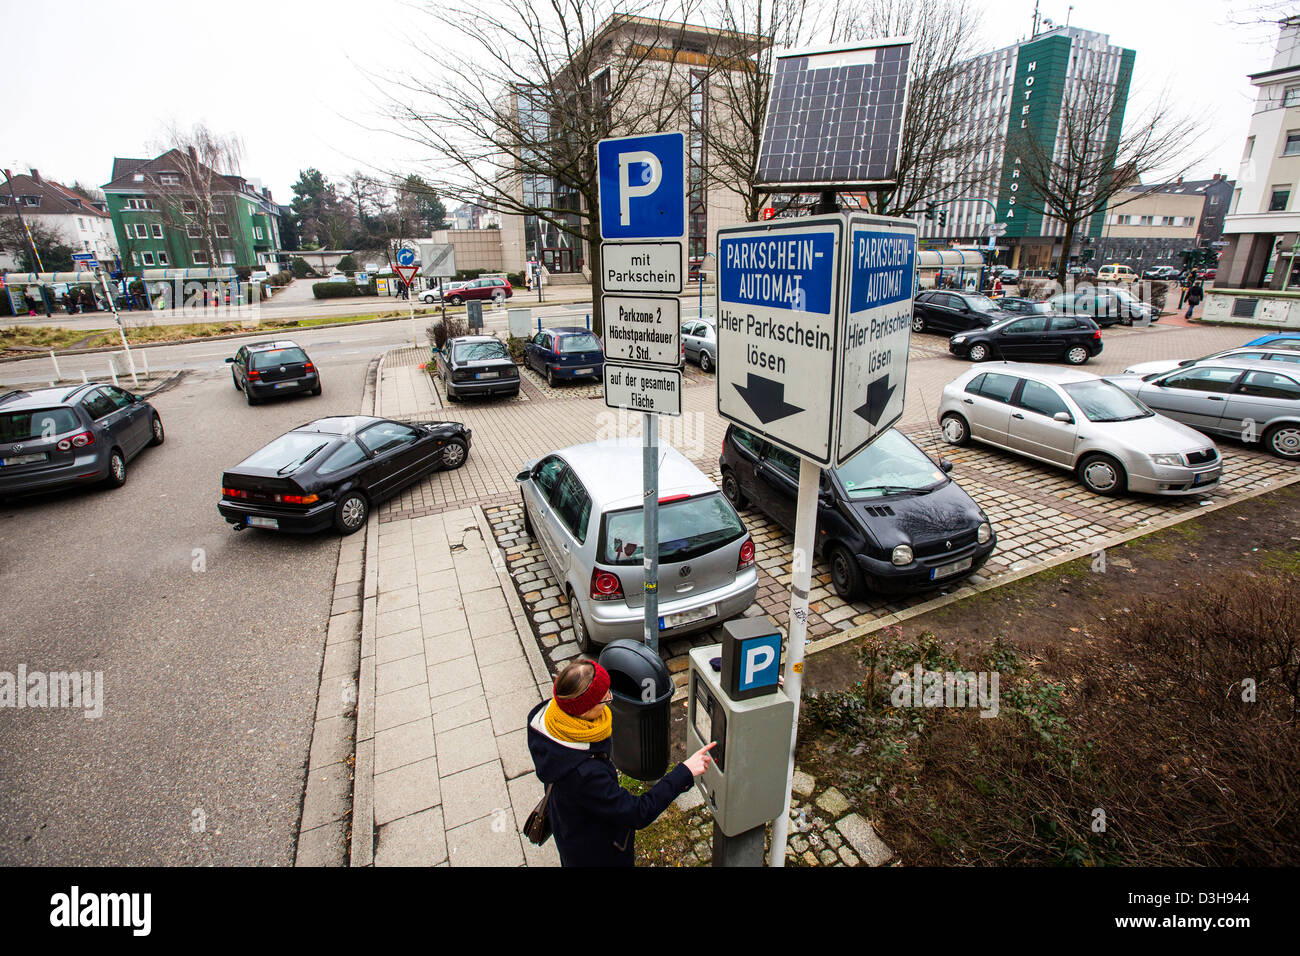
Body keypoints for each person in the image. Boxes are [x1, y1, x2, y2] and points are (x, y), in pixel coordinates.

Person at [527, 659, 715, 867]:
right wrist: (685, 772)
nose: (610, 697)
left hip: (570, 829)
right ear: (583, 710)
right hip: (597, 854)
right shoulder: (584, 774)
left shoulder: (555, 718)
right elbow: (637, 812)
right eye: (603, 697)